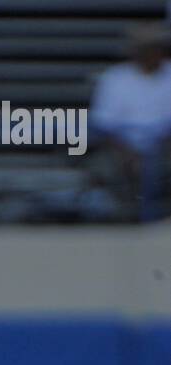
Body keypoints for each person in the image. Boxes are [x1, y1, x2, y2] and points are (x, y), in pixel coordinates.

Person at [90, 23, 171, 221]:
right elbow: (104, 124)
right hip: (123, 145)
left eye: (154, 48)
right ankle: (126, 215)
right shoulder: (115, 78)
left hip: (164, 143)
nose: (150, 54)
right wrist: (127, 151)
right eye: (144, 49)